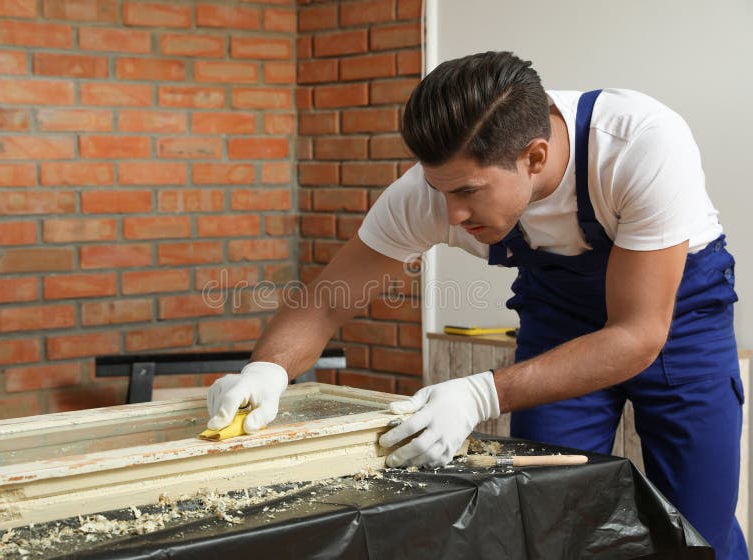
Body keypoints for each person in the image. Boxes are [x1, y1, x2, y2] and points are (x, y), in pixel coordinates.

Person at [206, 51, 745, 558]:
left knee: (697, 528)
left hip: (679, 323)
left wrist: (481, 394)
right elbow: (325, 303)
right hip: (560, 320)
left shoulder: (639, 144)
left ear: (534, 157)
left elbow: (636, 335)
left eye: (467, 192)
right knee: (548, 516)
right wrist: (267, 369)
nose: (451, 213)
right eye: (439, 190)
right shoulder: (428, 193)